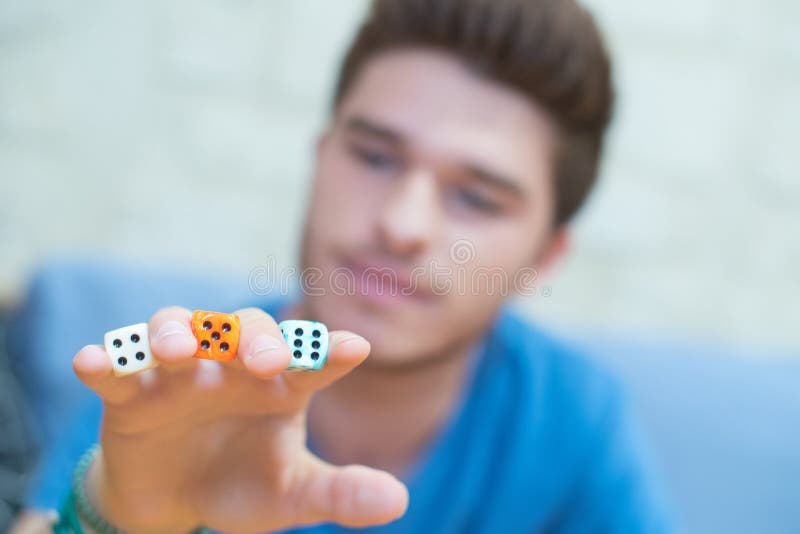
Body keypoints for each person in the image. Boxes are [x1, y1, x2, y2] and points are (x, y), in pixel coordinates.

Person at [11, 0, 672, 532]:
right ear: (321, 157)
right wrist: (120, 519)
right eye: (374, 157)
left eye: (476, 198)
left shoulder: (572, 421)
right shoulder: (176, 380)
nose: (401, 225)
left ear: (542, 257)